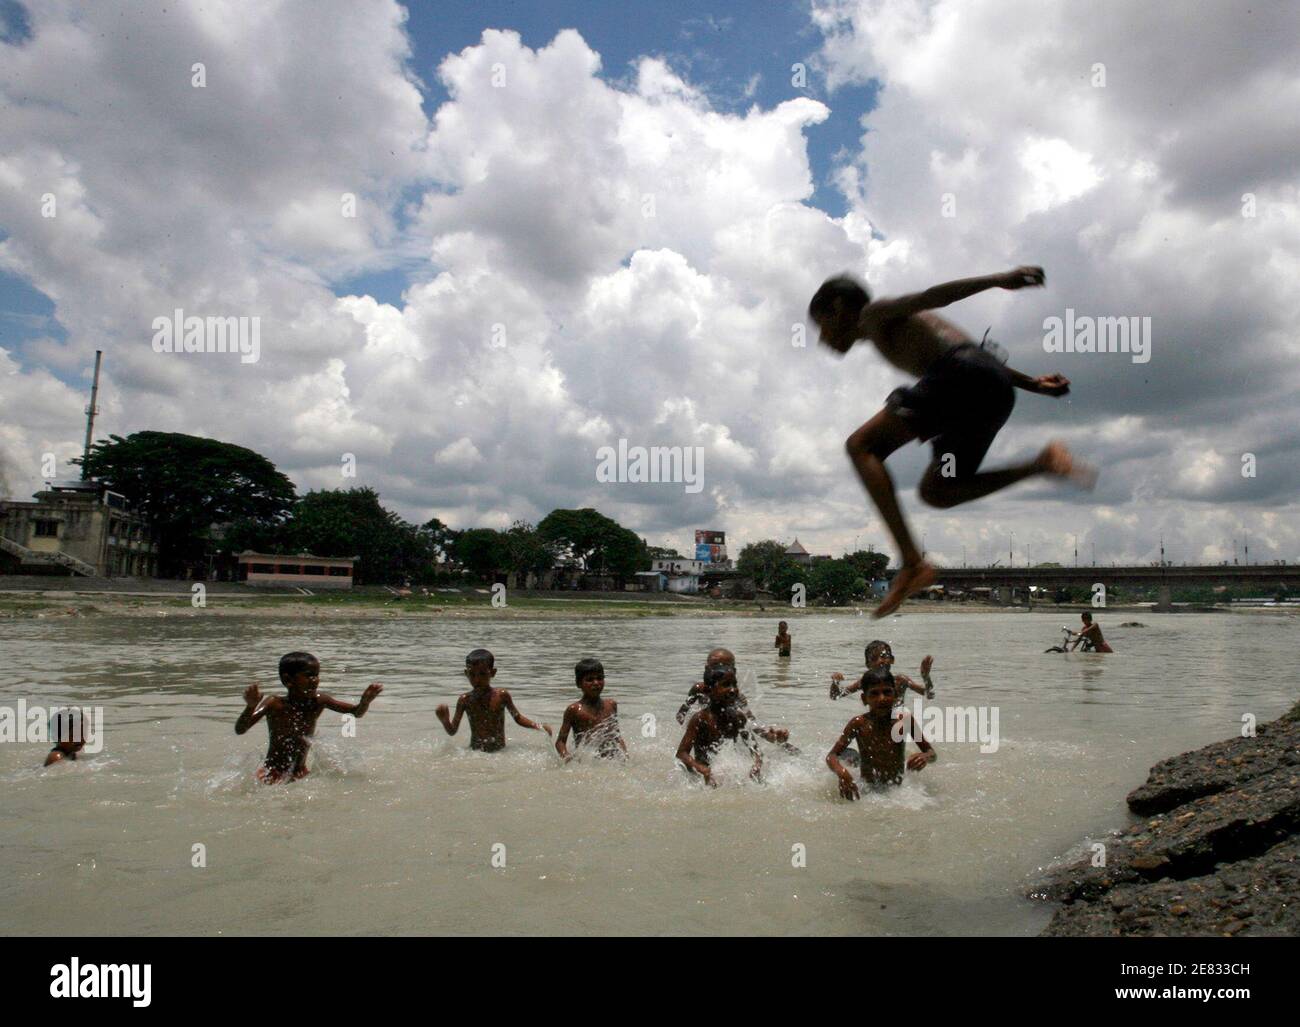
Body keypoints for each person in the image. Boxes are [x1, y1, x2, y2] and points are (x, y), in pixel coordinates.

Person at [809, 267, 1096, 617]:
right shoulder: (893, 332)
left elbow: (931, 295)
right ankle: (1042, 464)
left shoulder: (873, 315)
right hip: (989, 389)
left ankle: (913, 563)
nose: (822, 339)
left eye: (821, 325)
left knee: (862, 446)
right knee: (938, 492)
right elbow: (981, 359)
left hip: (961, 376)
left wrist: (996, 280)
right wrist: (1033, 384)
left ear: (838, 308)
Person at [235, 651, 382, 783]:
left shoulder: (319, 701)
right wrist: (250, 707)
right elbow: (240, 729)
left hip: (301, 773)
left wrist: (364, 702)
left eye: (316, 675)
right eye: (308, 675)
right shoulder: (275, 703)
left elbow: (356, 713)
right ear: (288, 680)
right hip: (273, 773)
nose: (315, 680)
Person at [676, 655, 789, 786]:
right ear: (709, 690)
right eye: (726, 685)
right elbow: (682, 753)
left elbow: (755, 747)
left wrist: (757, 764)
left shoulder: (738, 717)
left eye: (734, 684)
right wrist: (702, 769)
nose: (733, 689)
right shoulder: (700, 718)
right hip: (703, 775)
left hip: (725, 772)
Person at [826, 668, 936, 797]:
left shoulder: (904, 720)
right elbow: (832, 756)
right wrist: (842, 773)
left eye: (887, 692)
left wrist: (925, 757)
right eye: (874, 693)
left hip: (897, 791)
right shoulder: (858, 723)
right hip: (867, 791)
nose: (882, 698)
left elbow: (931, 752)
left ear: (895, 695)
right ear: (864, 699)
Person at [436, 648, 552, 751]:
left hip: (499, 752)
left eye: (482, 674)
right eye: (472, 674)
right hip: (475, 752)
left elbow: (518, 718)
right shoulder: (465, 700)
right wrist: (445, 721)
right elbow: (452, 731)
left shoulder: (501, 695)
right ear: (466, 673)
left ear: (492, 673)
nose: (477, 679)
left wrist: (538, 726)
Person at [555, 658, 627, 760]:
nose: (596, 683)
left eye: (600, 678)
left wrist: (625, 756)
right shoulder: (574, 710)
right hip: (588, 761)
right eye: (589, 679)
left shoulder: (611, 705)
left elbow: (616, 736)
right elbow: (560, 742)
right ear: (578, 684)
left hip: (612, 759)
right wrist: (567, 759)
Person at [830, 640, 934, 703]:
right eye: (874, 658)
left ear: (892, 660)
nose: (880, 661)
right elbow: (836, 696)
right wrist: (835, 683)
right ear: (867, 665)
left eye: (884, 656)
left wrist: (926, 677)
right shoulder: (865, 682)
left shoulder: (901, 681)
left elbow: (929, 694)